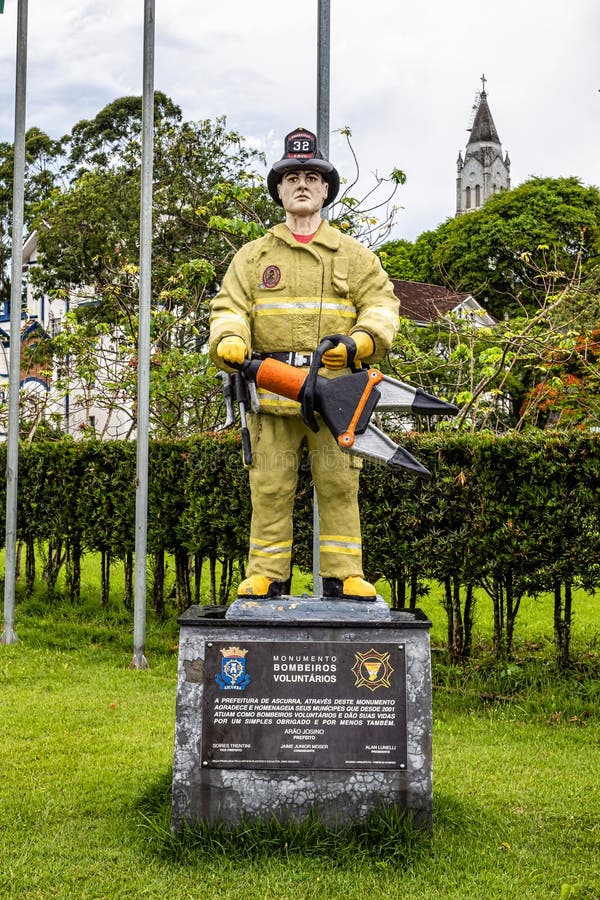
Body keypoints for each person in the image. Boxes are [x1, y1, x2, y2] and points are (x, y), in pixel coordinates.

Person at [209, 128, 399, 600]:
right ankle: (267, 575)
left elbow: (382, 305)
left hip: (336, 397)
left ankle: (344, 574)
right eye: (292, 177)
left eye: (312, 178)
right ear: (278, 190)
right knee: (270, 487)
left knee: (339, 485)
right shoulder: (253, 257)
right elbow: (229, 307)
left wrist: (359, 343)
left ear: (325, 190)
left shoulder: (354, 256)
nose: (302, 185)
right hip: (272, 393)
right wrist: (230, 338)